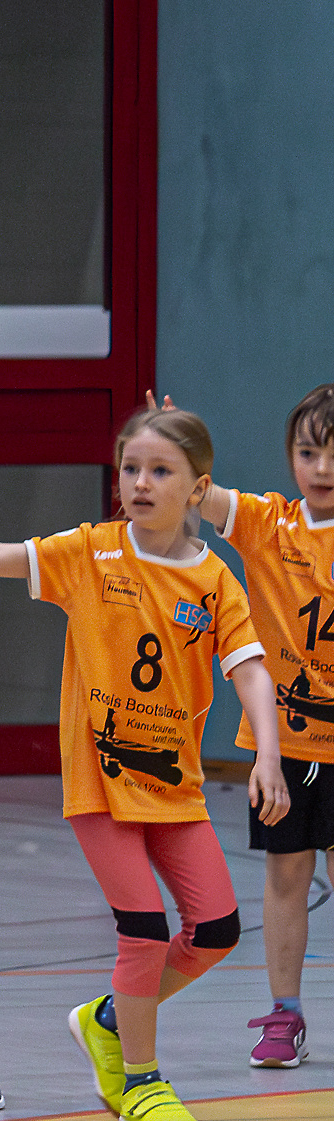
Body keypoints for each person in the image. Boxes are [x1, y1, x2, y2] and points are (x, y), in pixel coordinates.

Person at [0, 405, 289, 1121]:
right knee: (144, 930)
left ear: (199, 489)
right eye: (131, 468)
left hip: (173, 785)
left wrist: (271, 756)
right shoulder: (90, 553)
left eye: (161, 471)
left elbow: (251, 669)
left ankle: (107, 1019)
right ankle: (141, 1081)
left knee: (218, 928)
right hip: (100, 782)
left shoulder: (215, 579)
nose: (141, 482)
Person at [177, 383, 334, 1068]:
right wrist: (175, 446)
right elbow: (202, 497)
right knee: (285, 878)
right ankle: (284, 1015)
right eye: (307, 453)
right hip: (288, 749)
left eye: (332, 454)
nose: (321, 468)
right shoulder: (270, 525)